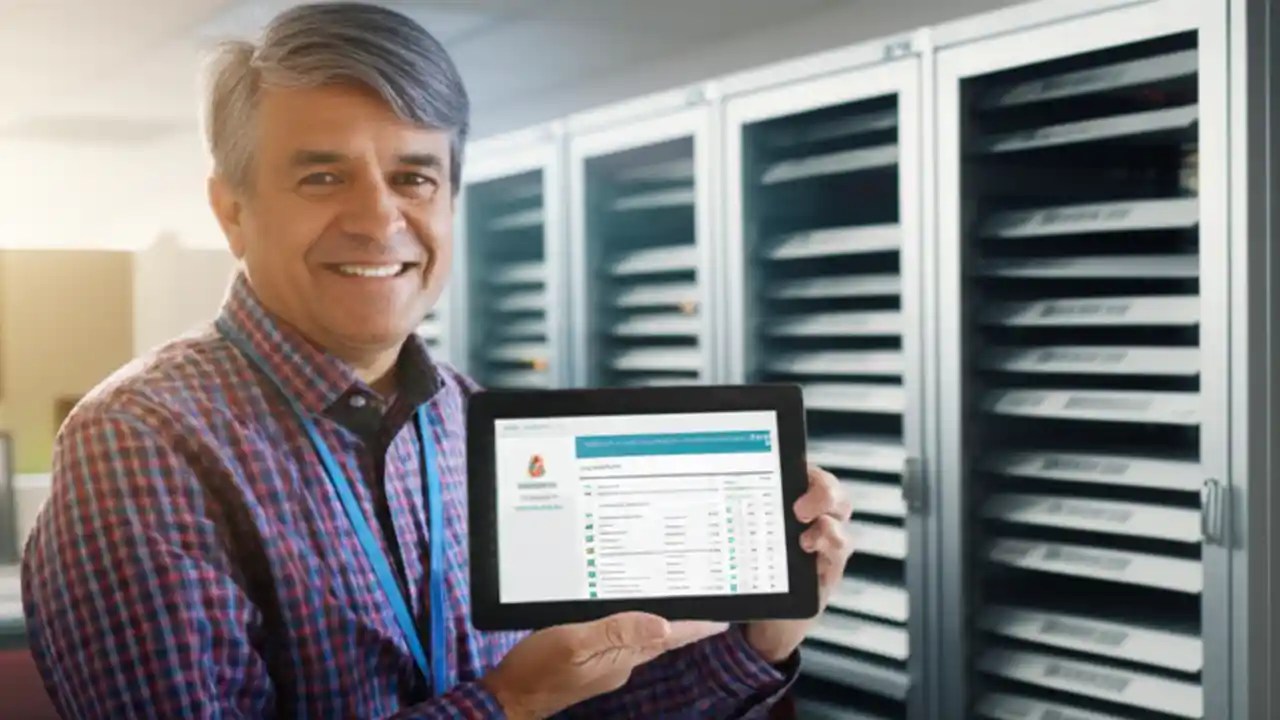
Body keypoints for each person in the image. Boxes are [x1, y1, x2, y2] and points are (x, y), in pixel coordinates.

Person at [20, 3, 855, 718]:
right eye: (322, 176)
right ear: (232, 210)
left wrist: (767, 634)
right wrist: (507, 701)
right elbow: (528, 700)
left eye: (414, 177)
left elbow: (581, 702)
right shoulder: (139, 443)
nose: (378, 219)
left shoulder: (468, 421)